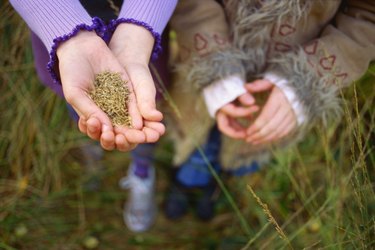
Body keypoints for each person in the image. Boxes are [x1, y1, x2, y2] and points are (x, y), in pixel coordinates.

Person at [162, 0, 375, 220]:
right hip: (203, 75)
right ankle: (186, 183)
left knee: (243, 153)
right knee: (197, 148)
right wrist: (212, 61)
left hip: (279, 99)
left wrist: (307, 77)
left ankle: (217, 183)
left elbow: (367, 15)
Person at [10, 0, 177, 232]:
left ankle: (142, 170)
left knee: (143, 115)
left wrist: (140, 28)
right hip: (60, 36)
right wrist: (67, 34)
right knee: (81, 102)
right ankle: (93, 152)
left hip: (144, 36)